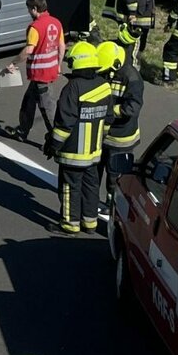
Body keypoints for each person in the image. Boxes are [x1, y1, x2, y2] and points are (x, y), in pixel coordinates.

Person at [47, 42, 114, 234]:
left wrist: (53, 145)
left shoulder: (73, 88)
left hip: (73, 153)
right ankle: (90, 223)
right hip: (94, 152)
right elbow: (108, 120)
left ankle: (70, 224)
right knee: (91, 187)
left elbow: (64, 124)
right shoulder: (104, 86)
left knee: (70, 188)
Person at [100, 29, 145, 212]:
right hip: (103, 133)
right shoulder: (108, 70)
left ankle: (113, 207)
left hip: (121, 137)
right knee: (95, 171)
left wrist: (110, 111)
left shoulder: (132, 78)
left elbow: (133, 108)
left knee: (115, 176)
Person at [11, 0, 65, 143]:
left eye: (29, 9)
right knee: (28, 101)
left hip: (40, 74)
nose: (28, 12)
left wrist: (13, 63)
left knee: (47, 108)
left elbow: (28, 50)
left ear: (35, 9)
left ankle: (57, 139)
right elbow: (61, 46)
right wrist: (58, 65)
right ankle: (23, 130)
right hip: (48, 71)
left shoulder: (35, 27)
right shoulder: (56, 22)